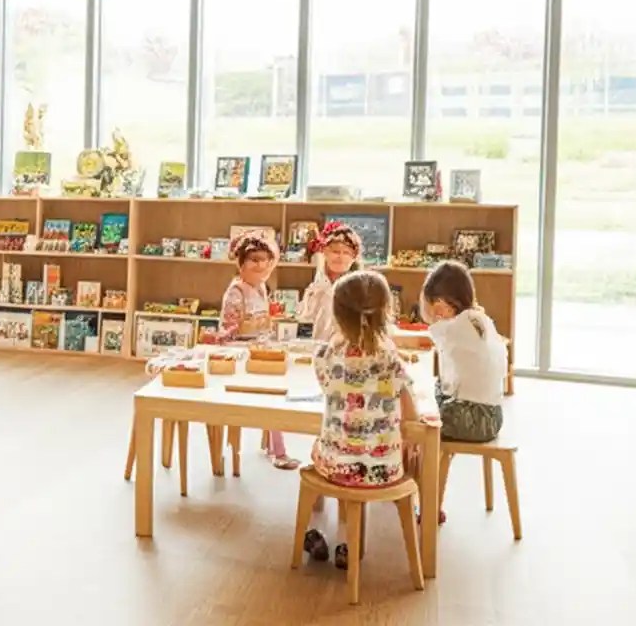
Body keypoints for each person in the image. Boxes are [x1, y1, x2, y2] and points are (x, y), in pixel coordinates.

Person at [301, 270, 433, 569]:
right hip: (384, 470)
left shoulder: (324, 355)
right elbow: (411, 416)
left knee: (315, 454)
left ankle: (313, 532)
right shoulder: (389, 357)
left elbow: (331, 391)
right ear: (387, 310)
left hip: (335, 466)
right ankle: (350, 544)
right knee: (383, 451)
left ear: (336, 313)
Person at [216, 229, 298, 470]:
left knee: (281, 382)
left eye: (265, 260)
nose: (260, 265)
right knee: (273, 390)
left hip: (260, 349)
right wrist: (256, 324)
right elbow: (229, 329)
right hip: (239, 353)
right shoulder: (237, 290)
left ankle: (274, 444)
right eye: (254, 259)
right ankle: (278, 450)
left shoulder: (262, 287)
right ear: (241, 262)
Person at [421, 261, 508, 443]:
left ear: (441, 304)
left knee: (418, 416)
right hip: (494, 416)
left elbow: (447, 383)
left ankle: (426, 470)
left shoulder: (450, 328)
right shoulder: (480, 319)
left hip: (472, 420)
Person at [296, 221, 362, 342]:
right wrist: (303, 347)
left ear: (354, 258)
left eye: (346, 253)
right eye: (335, 252)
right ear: (325, 253)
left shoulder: (358, 290)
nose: (340, 257)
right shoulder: (316, 288)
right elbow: (305, 322)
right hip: (316, 349)